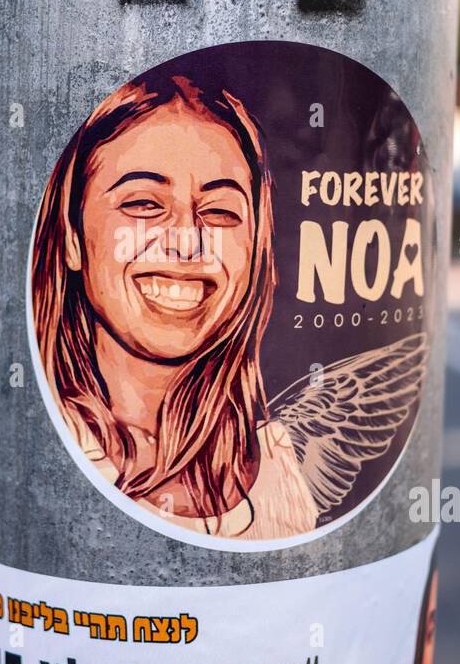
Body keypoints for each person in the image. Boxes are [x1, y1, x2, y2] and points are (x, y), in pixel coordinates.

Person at [31, 74, 319, 540]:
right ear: (71, 236)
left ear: (255, 248)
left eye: (221, 211)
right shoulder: (36, 440)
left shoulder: (277, 461)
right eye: (144, 203)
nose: (188, 242)